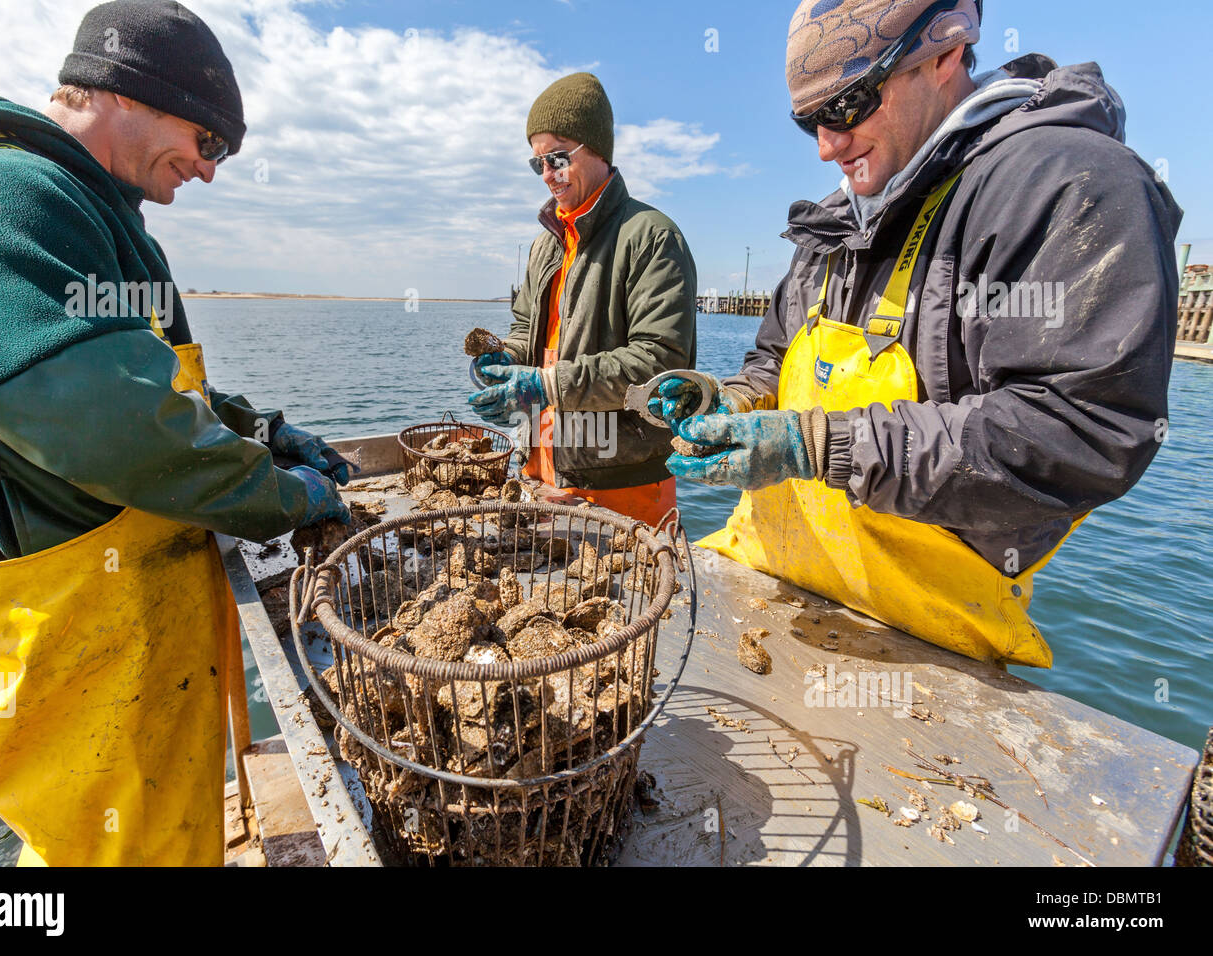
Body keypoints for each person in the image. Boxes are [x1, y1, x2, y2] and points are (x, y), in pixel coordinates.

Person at [0, 0, 355, 865]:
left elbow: (151, 383)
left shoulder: (95, 211)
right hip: (78, 647)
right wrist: (283, 497)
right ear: (132, 92)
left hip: (135, 629)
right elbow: (111, 426)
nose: (209, 169)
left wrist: (257, 429)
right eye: (209, 141)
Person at [648, 0, 1182, 668]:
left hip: (922, 648)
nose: (827, 144)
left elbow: (1080, 431)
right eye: (809, 119)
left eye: (847, 106)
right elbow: (775, 360)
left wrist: (819, 446)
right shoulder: (833, 221)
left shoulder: (1070, 183)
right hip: (760, 588)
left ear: (947, 52)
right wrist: (731, 403)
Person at [468, 72, 697, 526]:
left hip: (624, 485)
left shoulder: (652, 237)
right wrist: (501, 362)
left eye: (557, 158)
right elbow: (524, 331)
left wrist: (545, 385)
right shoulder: (546, 245)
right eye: (538, 164)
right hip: (541, 470)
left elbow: (659, 363)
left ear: (598, 150)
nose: (548, 176)